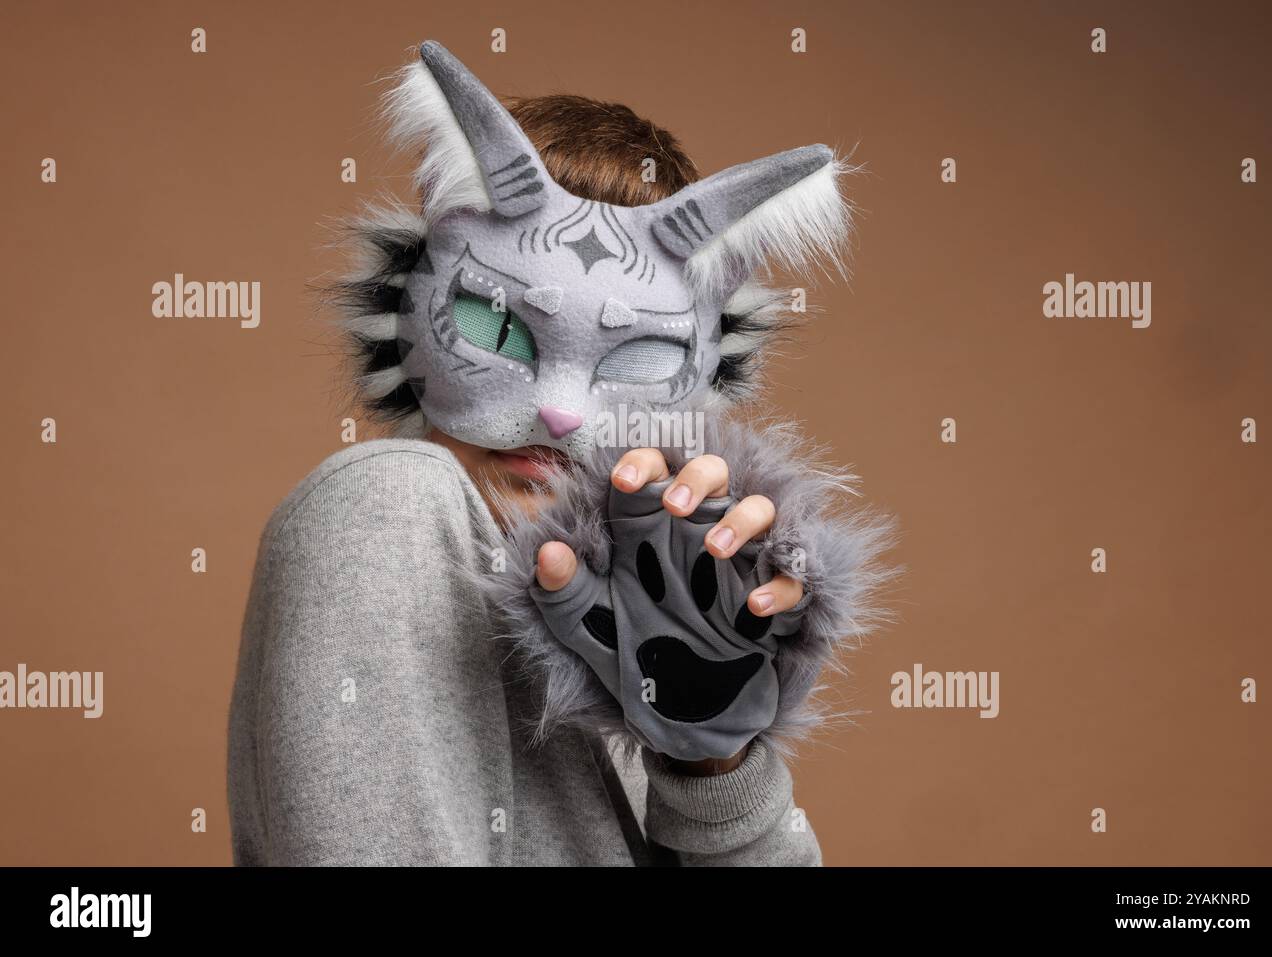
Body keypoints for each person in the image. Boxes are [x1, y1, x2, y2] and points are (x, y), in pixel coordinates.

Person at [227, 41, 891, 866]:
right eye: (500, 326)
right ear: (408, 303)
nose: (562, 413)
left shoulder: (626, 614)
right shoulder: (388, 500)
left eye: (636, 355)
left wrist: (709, 754)